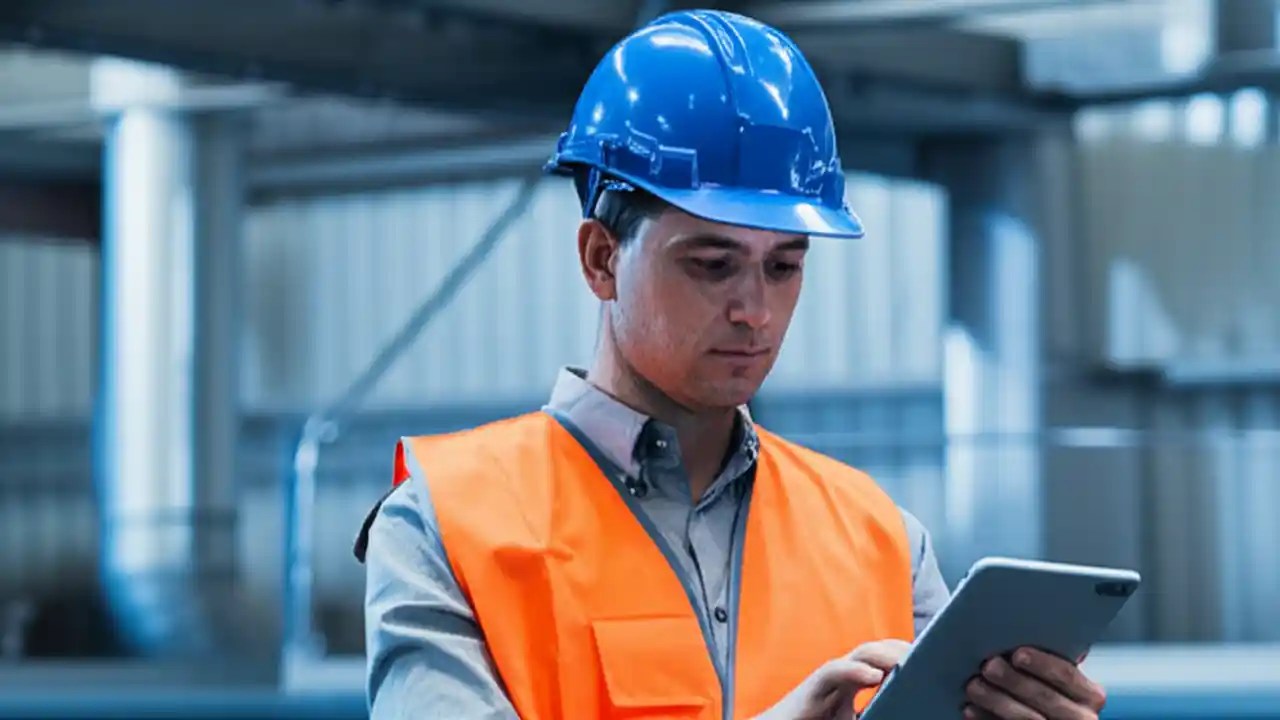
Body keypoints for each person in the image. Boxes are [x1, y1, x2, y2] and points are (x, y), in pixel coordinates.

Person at [356, 9, 1108, 720]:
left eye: (783, 267)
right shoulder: (443, 524)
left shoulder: (880, 539)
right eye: (713, 264)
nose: (756, 310)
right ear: (600, 258)